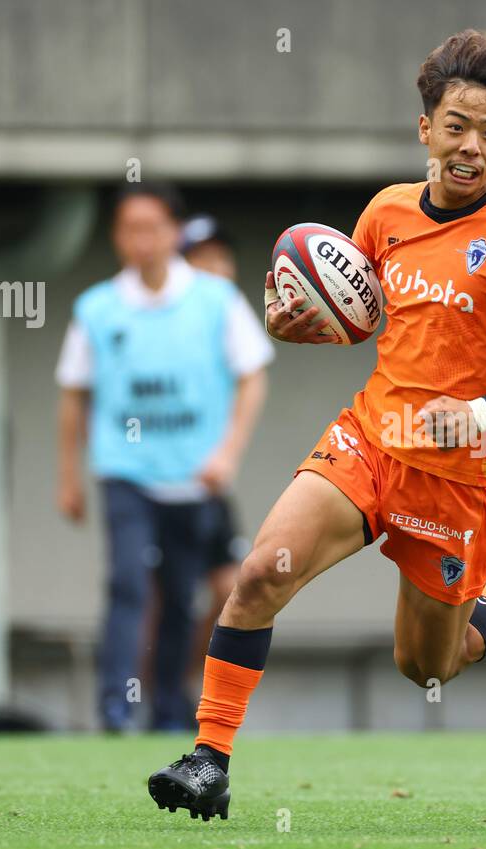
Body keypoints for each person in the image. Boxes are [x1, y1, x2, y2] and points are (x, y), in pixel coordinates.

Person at [149, 29, 486, 821]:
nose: (471, 147)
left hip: (458, 481)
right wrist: (296, 324)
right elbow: (357, 315)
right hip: (369, 443)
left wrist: (484, 410)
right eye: (457, 126)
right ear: (425, 128)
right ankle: (209, 759)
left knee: (429, 667)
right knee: (259, 575)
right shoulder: (387, 212)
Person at [55, 183, 273, 732]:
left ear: (174, 233)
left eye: (152, 227)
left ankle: (169, 709)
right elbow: (73, 393)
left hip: (194, 477)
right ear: (116, 237)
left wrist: (227, 454)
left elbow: (253, 377)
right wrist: (69, 477)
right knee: (128, 581)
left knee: (180, 597)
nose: (142, 240)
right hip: (123, 471)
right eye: (130, 228)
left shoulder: (215, 300)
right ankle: (114, 705)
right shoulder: (98, 309)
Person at [178, 215, 262, 688]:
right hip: (156, 482)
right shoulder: (162, 315)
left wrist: (226, 455)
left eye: (221, 257)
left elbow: (253, 375)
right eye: (202, 258)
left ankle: (183, 683)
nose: (217, 267)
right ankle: (144, 696)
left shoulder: (227, 313)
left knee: (231, 585)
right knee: (157, 596)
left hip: (209, 483)